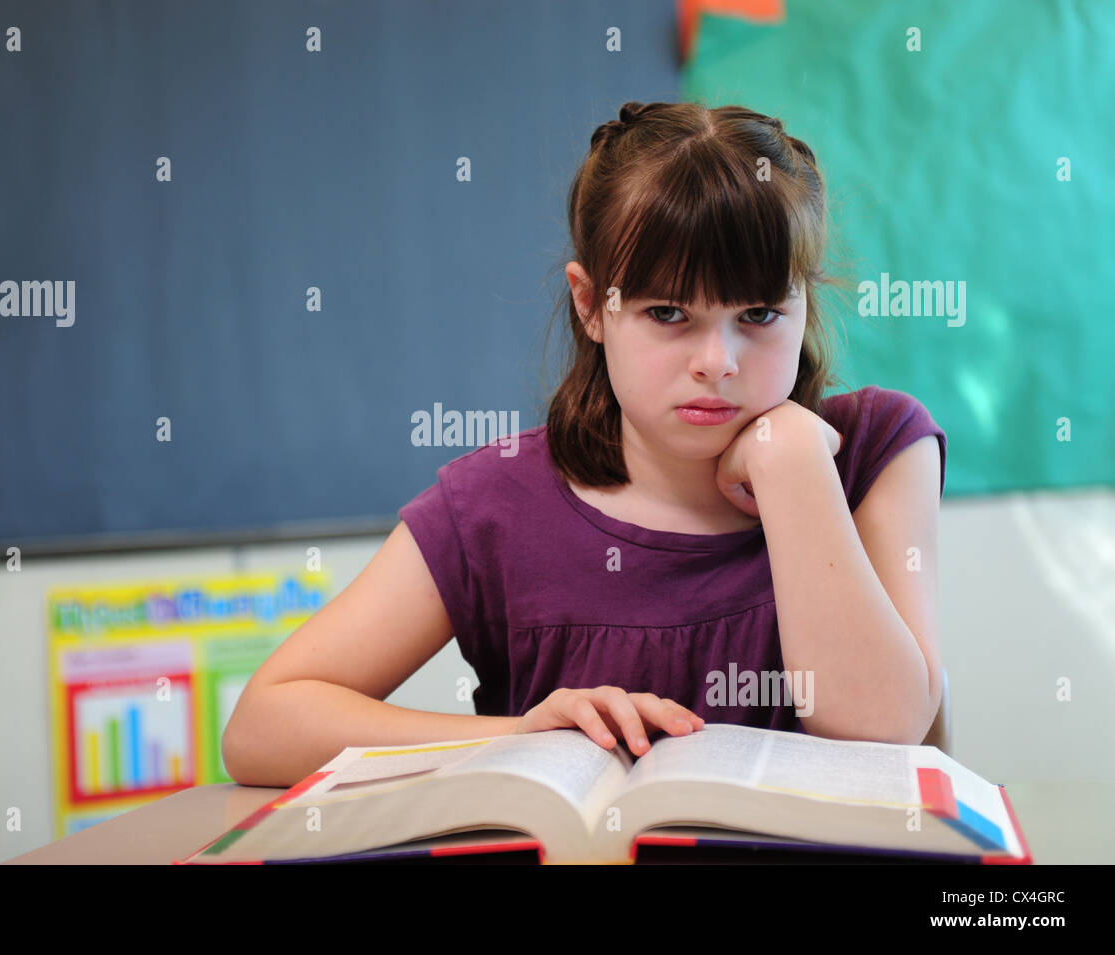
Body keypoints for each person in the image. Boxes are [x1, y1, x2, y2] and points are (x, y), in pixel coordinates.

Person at [223, 101, 947, 789]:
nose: (718, 361)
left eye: (759, 312)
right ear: (589, 305)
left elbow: (882, 729)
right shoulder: (496, 501)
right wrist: (517, 738)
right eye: (668, 312)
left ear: (804, 304)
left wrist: (791, 458)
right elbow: (262, 725)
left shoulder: (877, 449)